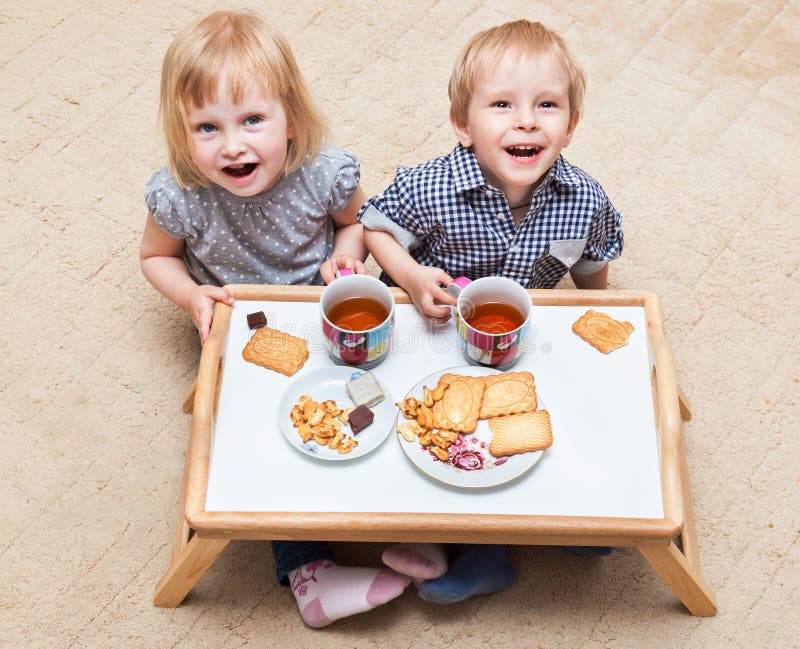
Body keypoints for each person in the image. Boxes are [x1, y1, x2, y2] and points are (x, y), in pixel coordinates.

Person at [139, 10, 410, 627]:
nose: (232, 145)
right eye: (207, 127)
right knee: (265, 436)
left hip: (325, 310)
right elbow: (156, 257)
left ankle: (410, 510)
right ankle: (308, 572)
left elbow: (354, 224)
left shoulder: (321, 172)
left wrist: (346, 256)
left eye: (252, 120)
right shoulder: (179, 194)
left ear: (291, 118)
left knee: (381, 389)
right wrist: (191, 297)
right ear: (182, 134)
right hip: (241, 325)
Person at [360, 19, 621, 603]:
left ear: (571, 126)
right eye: (501, 105)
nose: (526, 121)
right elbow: (373, 225)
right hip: (432, 328)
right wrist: (407, 274)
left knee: (553, 419)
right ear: (463, 125)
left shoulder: (586, 203)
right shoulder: (431, 187)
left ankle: (573, 515)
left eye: (547, 105)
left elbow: (594, 281)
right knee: (422, 435)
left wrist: (596, 331)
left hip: (519, 341)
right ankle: (465, 547)